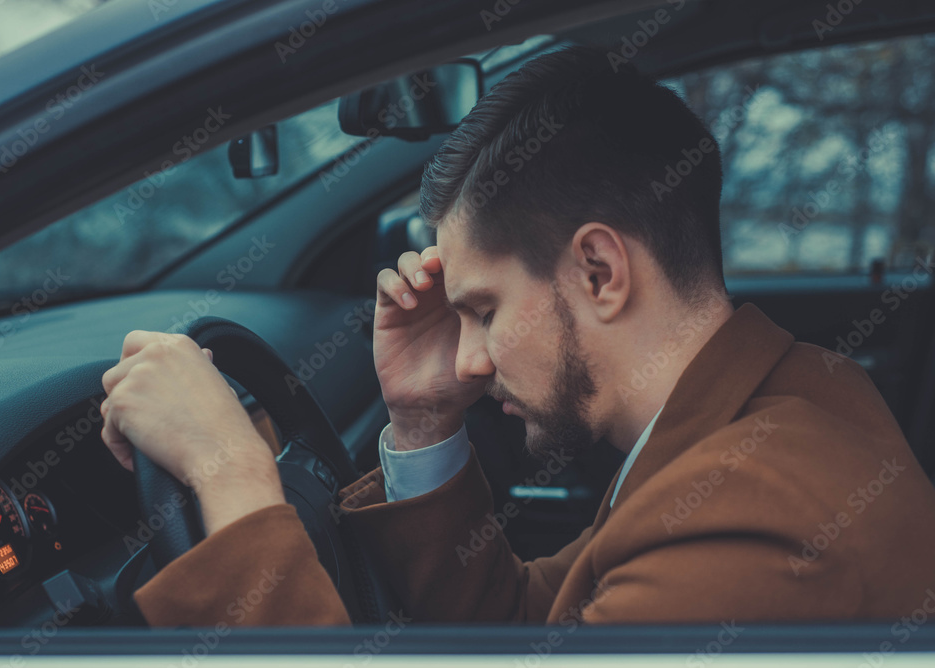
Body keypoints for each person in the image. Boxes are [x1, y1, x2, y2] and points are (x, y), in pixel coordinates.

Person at [100, 46, 935, 626]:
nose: (468, 360)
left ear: (601, 271)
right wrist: (426, 424)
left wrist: (236, 482)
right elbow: (543, 627)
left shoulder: (752, 511)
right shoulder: (779, 400)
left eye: (485, 310)